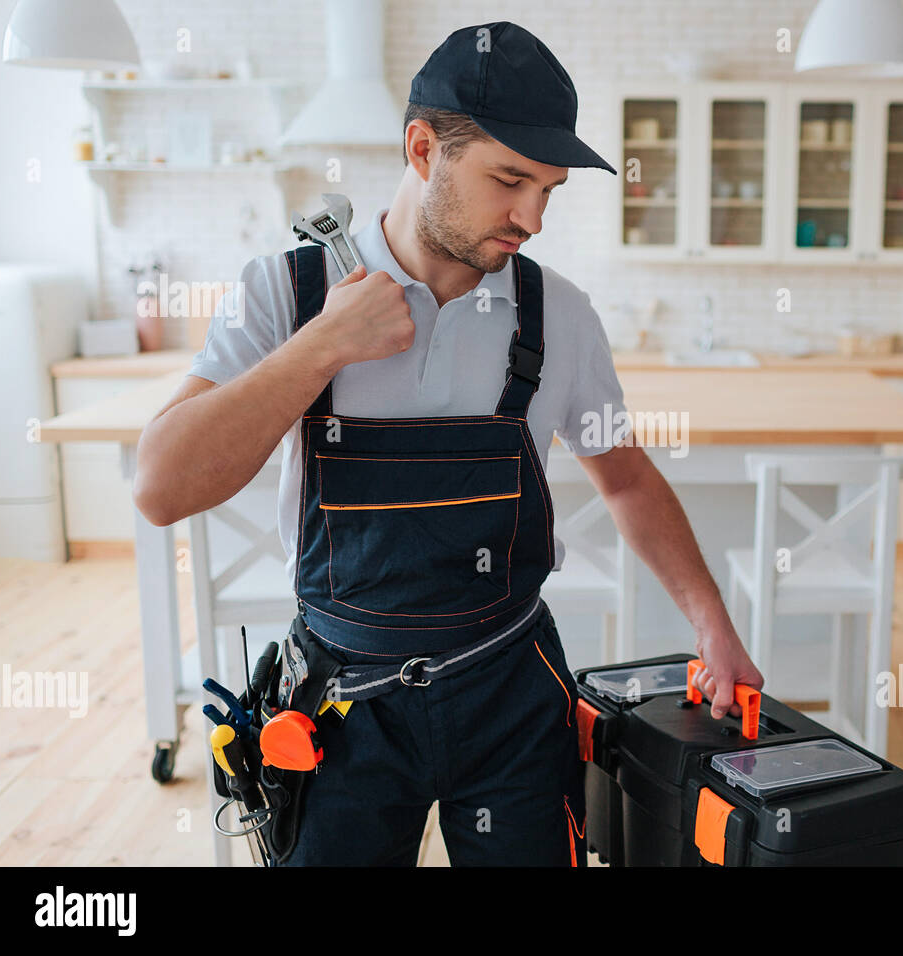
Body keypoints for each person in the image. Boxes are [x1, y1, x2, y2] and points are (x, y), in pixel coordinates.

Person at [133, 20, 763, 866]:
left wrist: (712, 620)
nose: (532, 217)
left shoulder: (559, 317)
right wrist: (324, 344)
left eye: (549, 190)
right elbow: (160, 486)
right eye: (510, 180)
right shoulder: (287, 292)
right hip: (342, 709)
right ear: (423, 149)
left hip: (510, 692)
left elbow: (627, 479)